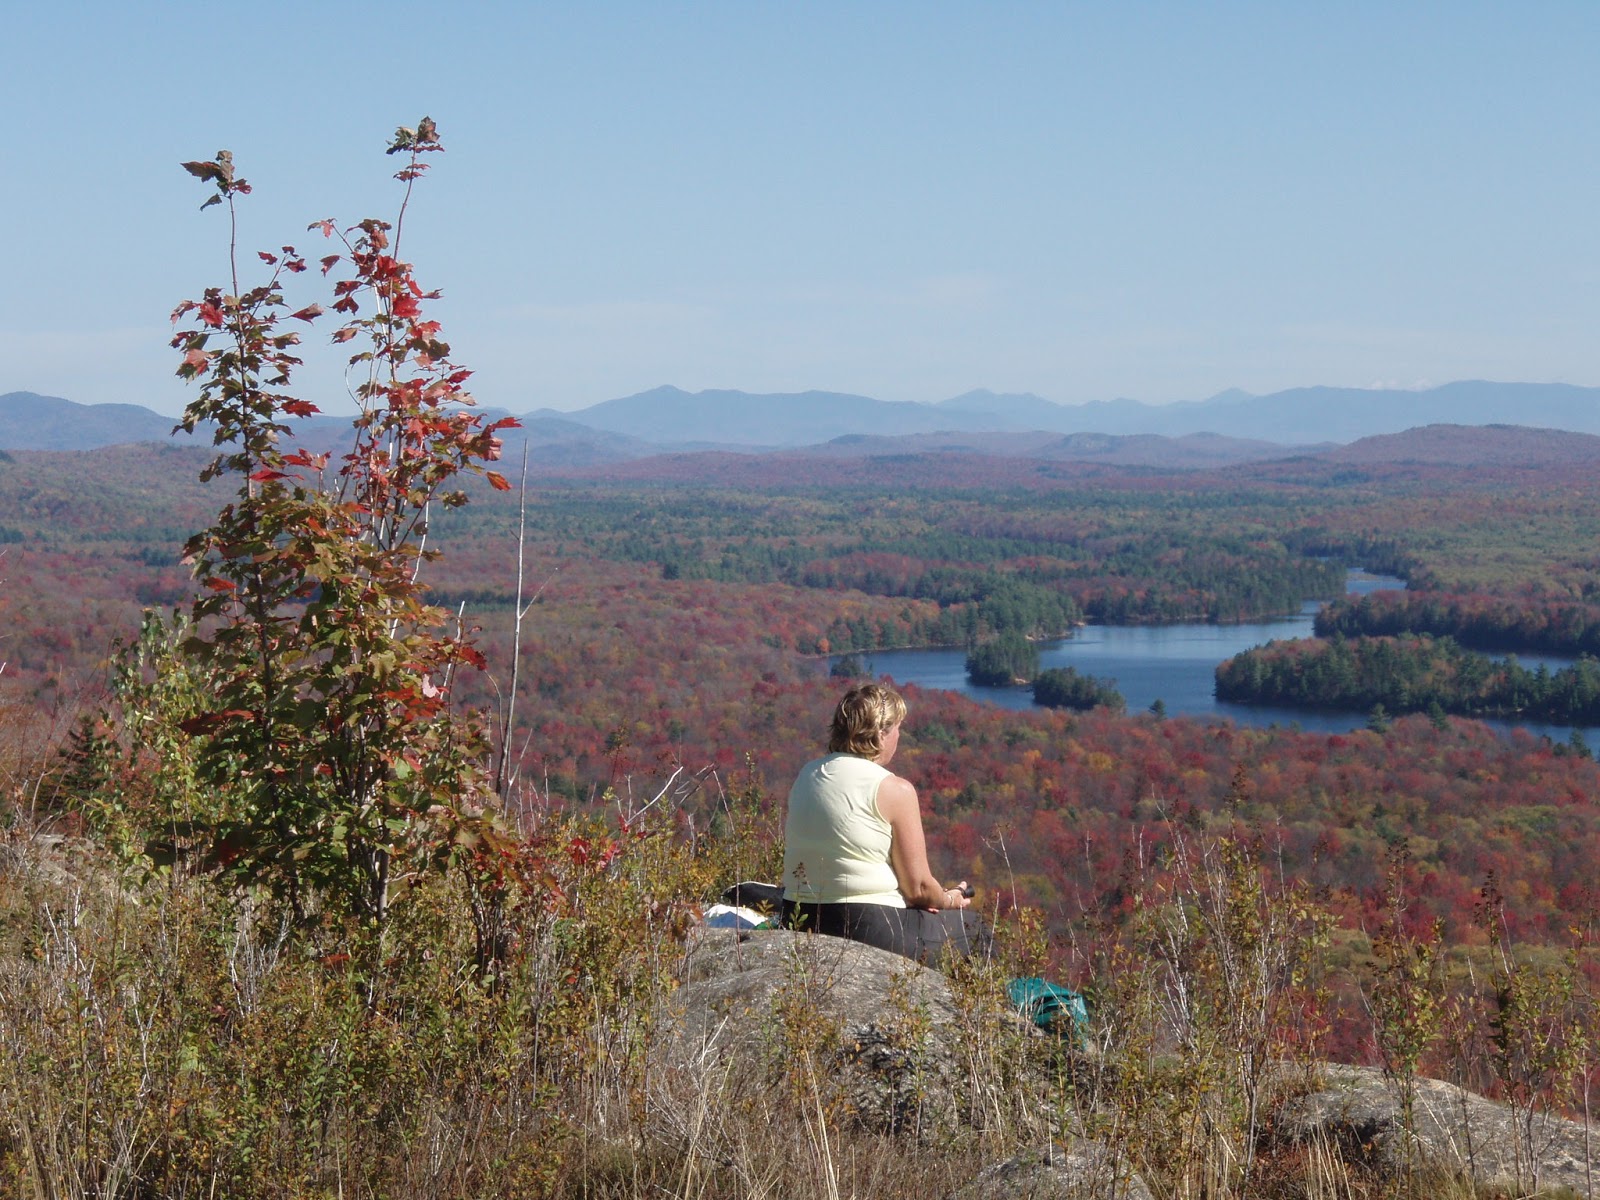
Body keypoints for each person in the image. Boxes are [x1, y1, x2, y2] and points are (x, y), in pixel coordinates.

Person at [781, 683, 989, 965]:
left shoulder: (806, 775)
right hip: (868, 926)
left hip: (796, 917)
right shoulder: (893, 789)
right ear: (880, 733)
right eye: (897, 728)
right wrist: (951, 899)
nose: (899, 736)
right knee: (977, 931)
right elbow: (918, 889)